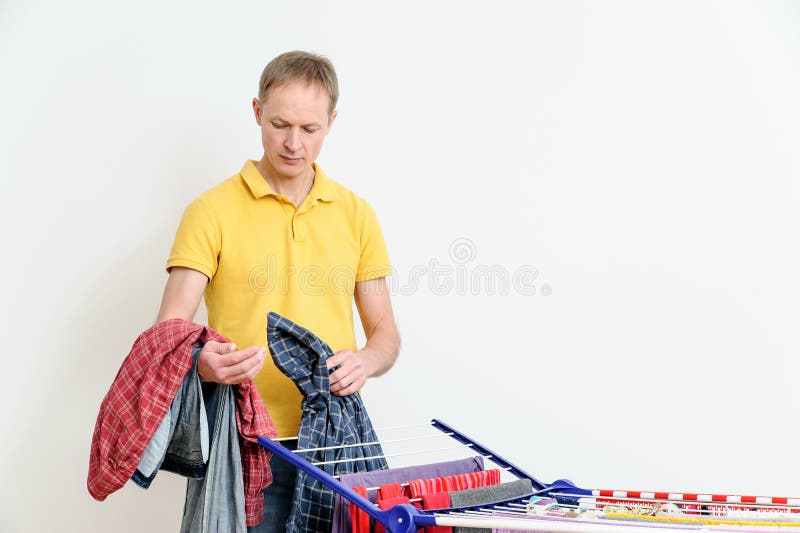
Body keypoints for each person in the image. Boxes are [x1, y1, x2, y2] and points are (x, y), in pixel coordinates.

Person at [155, 50, 401, 532]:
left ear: (332, 123)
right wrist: (200, 363)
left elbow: (385, 333)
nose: (293, 143)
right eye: (280, 124)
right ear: (256, 112)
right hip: (244, 441)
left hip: (334, 443)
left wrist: (365, 360)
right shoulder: (211, 211)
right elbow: (168, 331)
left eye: (310, 129)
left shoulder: (357, 215)